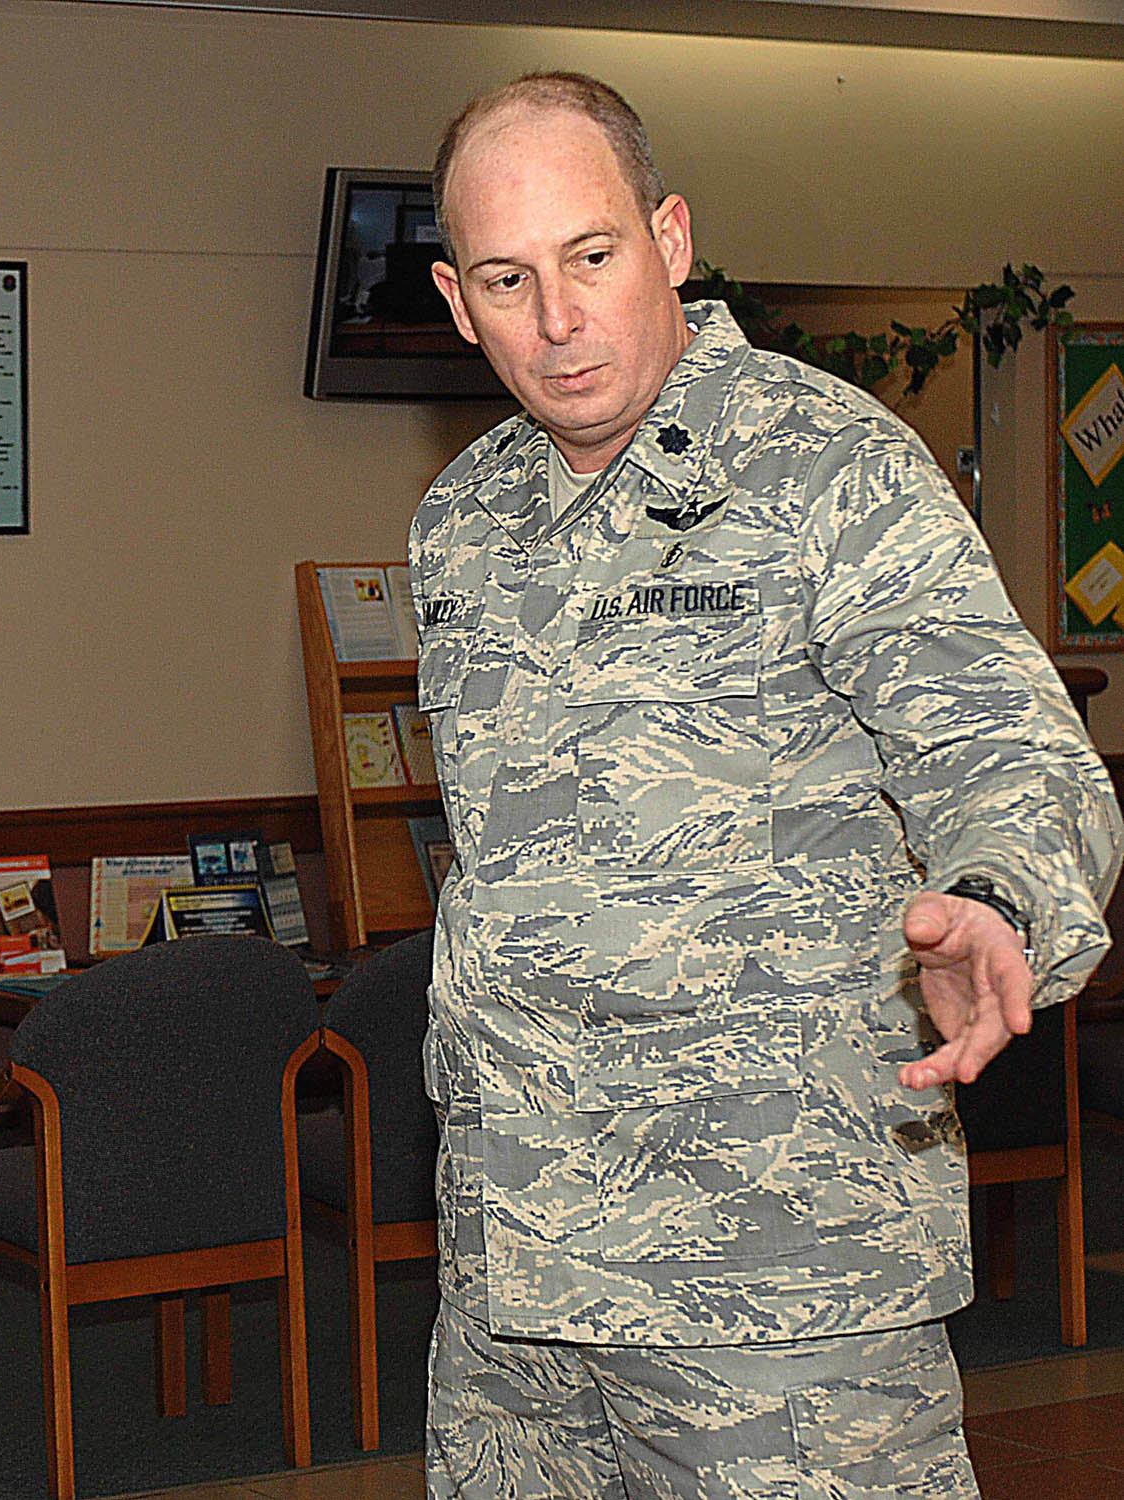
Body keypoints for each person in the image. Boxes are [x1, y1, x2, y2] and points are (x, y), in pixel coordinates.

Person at [410, 72, 1121, 1497]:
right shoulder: (460, 523)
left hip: (774, 1267)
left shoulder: (829, 471)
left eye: (589, 257)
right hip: (515, 1279)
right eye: (506, 278)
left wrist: (994, 899)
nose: (554, 321)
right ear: (453, 298)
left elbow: (1004, 742)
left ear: (668, 240)